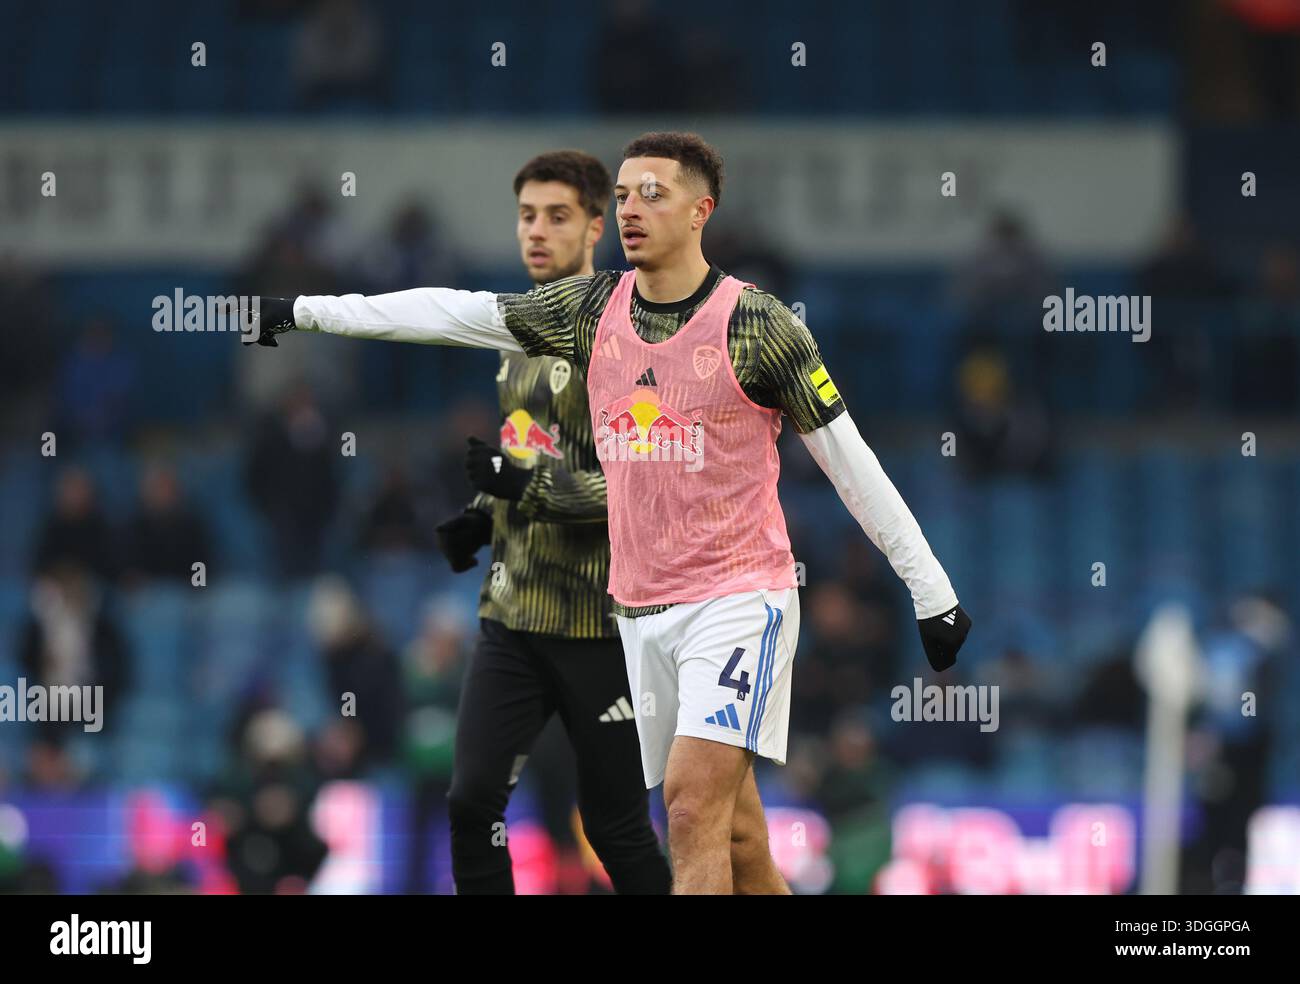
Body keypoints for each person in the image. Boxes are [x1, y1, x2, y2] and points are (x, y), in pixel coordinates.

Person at [244, 132, 970, 894]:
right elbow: (456, 314)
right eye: (622, 194)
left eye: (652, 193)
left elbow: (852, 465)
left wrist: (933, 592)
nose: (630, 208)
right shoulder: (592, 310)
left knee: (688, 809)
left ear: (701, 211)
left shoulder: (759, 327)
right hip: (639, 613)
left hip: (738, 600)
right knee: (739, 836)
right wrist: (303, 311)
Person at [436, 150, 670, 894]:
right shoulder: (513, 335)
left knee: (614, 826)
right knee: (472, 800)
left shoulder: (633, 336)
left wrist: (524, 486)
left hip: (601, 628)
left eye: (557, 217)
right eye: (527, 216)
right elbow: (525, 451)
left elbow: (641, 483)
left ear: (597, 226)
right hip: (514, 621)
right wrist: (482, 514)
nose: (536, 232)